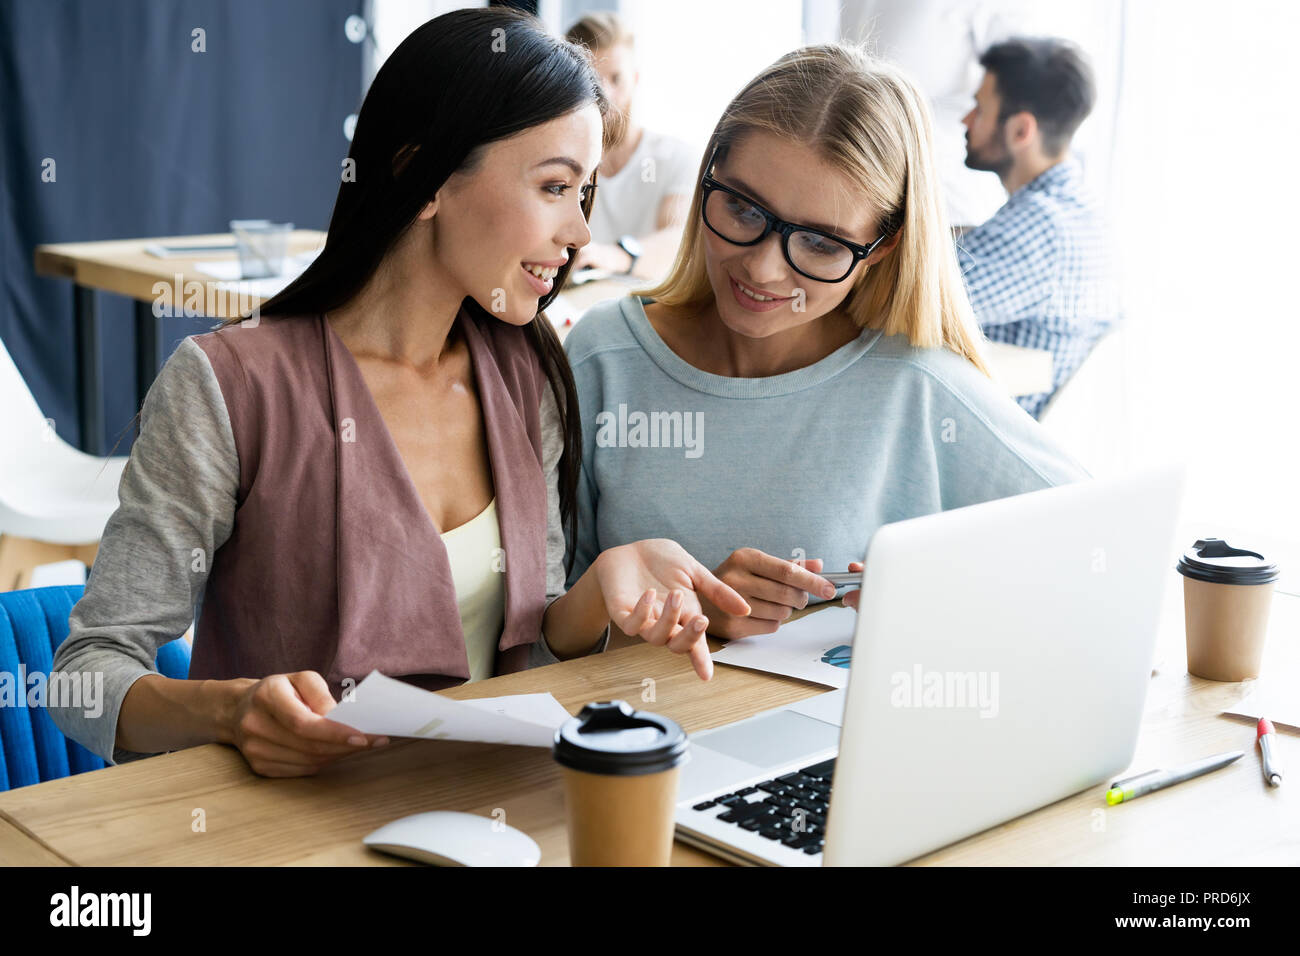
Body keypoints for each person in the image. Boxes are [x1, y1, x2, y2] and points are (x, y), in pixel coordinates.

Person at [48, 8, 747, 778]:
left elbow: (529, 646)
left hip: (494, 817)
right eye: (554, 187)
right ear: (425, 180)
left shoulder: (526, 370)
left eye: (584, 194)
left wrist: (599, 588)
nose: (581, 233)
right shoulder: (230, 384)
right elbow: (86, 677)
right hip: (295, 832)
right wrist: (230, 713)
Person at [562, 43, 1092, 640]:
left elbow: (1103, 546)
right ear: (707, 177)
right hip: (636, 728)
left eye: (820, 244)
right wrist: (681, 615)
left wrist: (951, 608)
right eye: (741, 207)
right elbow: (533, 642)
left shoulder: (917, 385)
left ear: (881, 249)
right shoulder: (603, 356)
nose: (762, 270)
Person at [958, 36, 1117, 420]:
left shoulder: (1040, 228)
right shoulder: (1081, 210)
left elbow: (906, 299)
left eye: (979, 108)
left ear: (1021, 131)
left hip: (988, 450)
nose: (965, 120)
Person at [564, 12, 696, 280]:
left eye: (616, 79)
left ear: (635, 79)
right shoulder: (558, 162)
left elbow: (679, 242)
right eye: (592, 80)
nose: (606, 95)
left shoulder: (675, 158)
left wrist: (614, 256)